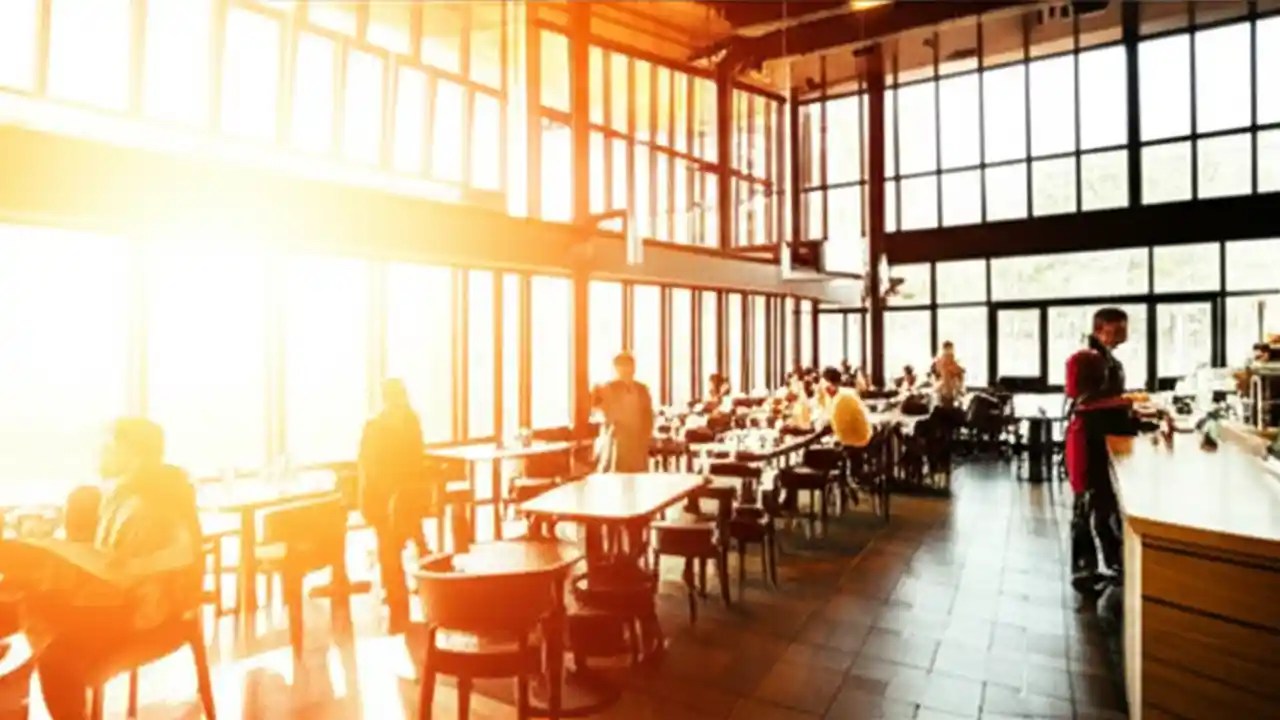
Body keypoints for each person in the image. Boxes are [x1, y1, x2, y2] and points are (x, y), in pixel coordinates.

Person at [30, 418, 203, 720]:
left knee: (52, 652)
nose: (100, 453)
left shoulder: (150, 502)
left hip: (143, 612)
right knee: (26, 601)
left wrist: (121, 566)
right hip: (126, 601)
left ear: (132, 452)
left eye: (108, 446)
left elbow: (168, 558)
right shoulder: (129, 493)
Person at [1065, 308, 1154, 601]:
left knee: (1104, 505)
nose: (1122, 335)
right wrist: (1126, 401)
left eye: (1124, 329)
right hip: (1087, 440)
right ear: (1100, 330)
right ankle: (1085, 572)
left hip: (1102, 439)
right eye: (1117, 330)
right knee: (1087, 506)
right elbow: (1083, 403)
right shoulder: (1086, 359)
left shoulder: (1108, 359)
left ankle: (1113, 564)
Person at [358, 378, 426, 633]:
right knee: (413, 536)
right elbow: (418, 459)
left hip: (385, 500)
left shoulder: (375, 427)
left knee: (388, 547)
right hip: (409, 497)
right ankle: (431, 587)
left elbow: (368, 469)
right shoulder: (411, 422)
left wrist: (370, 502)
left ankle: (396, 595)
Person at [594, 352, 655, 472]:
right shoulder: (608, 388)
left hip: (638, 438)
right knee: (618, 470)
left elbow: (648, 413)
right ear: (616, 369)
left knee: (639, 471)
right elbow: (598, 409)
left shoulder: (642, 389)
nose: (627, 370)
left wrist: (647, 435)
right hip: (618, 438)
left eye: (629, 366)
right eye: (623, 367)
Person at [817, 367, 872, 449]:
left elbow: (835, 426)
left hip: (853, 443)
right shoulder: (847, 393)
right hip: (863, 439)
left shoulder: (842, 398)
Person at [932, 341, 966, 406]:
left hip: (954, 393)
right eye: (946, 352)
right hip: (941, 393)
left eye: (950, 352)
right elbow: (934, 384)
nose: (948, 356)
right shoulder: (937, 365)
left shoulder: (957, 367)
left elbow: (961, 383)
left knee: (953, 381)